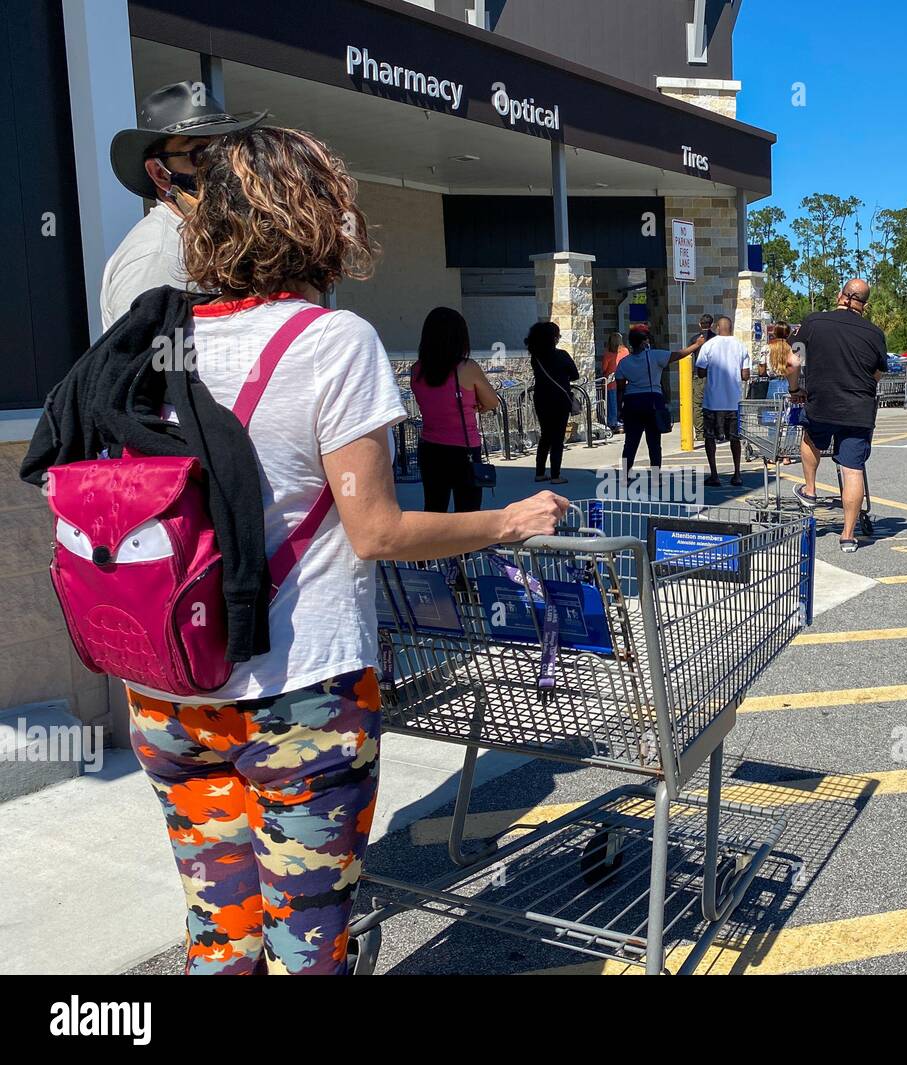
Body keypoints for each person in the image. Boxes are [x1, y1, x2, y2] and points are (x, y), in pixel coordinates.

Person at [111, 126, 567, 974]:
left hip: (169, 688)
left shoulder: (156, 339)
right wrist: (510, 522)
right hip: (298, 693)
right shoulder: (332, 341)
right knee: (305, 944)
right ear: (316, 217)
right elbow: (378, 530)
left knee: (220, 932)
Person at [101, 82, 266, 332]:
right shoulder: (159, 254)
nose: (220, 164)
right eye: (199, 153)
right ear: (159, 172)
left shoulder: (208, 239)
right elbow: (146, 366)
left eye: (225, 149)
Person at [787, 278, 886, 552]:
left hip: (822, 402)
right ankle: (848, 536)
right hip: (859, 408)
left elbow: (792, 362)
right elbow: (878, 372)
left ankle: (810, 490)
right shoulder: (874, 333)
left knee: (811, 439)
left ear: (841, 296)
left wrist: (796, 389)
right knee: (852, 470)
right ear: (864, 304)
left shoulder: (814, 322)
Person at [411, 307, 500, 513]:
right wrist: (476, 405)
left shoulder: (417, 370)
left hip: (430, 448)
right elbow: (492, 402)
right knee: (468, 511)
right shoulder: (467, 368)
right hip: (464, 449)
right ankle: (466, 547)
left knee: (434, 508)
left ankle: (436, 546)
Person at [616, 325, 692, 470]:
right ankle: (656, 477)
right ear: (644, 342)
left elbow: (620, 389)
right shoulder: (655, 356)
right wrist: (696, 345)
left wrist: (619, 409)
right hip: (653, 401)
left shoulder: (623, 363)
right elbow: (679, 354)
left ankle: (625, 475)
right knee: (654, 443)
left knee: (630, 442)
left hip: (632, 403)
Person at [695, 316, 751, 487]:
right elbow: (745, 375)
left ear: (718, 328)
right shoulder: (741, 346)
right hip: (733, 401)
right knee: (735, 438)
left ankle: (714, 475)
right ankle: (737, 474)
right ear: (731, 328)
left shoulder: (708, 345)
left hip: (713, 400)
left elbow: (701, 372)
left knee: (710, 437)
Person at [527, 321, 580, 483]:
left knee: (545, 435)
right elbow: (575, 374)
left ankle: (540, 472)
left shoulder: (536, 358)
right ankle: (556, 475)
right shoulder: (562, 355)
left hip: (541, 398)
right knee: (558, 437)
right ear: (553, 338)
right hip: (559, 398)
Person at [602, 331, 629, 431]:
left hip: (611, 382)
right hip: (624, 381)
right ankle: (624, 420)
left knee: (612, 404)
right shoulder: (625, 351)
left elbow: (604, 368)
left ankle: (613, 423)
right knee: (623, 403)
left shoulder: (608, 354)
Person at [766, 322, 793, 399]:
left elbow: (761, 371)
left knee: (772, 409)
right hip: (790, 383)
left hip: (773, 383)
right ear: (788, 333)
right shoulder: (793, 348)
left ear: (774, 333)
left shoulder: (767, 348)